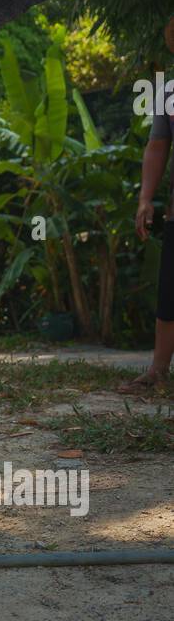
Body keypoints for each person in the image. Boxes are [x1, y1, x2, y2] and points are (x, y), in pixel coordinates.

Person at [119, 31, 174, 393]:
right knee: (169, 290)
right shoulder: (168, 90)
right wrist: (145, 198)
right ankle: (157, 370)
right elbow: (157, 145)